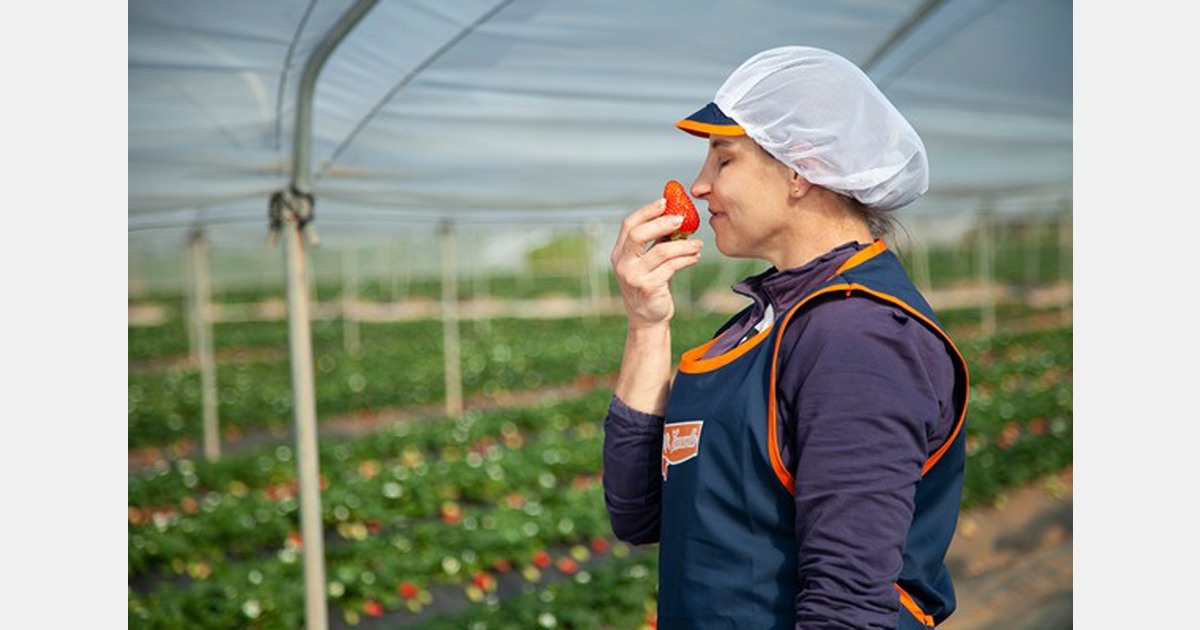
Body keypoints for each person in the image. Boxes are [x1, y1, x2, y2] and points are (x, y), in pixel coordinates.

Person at [602, 46, 969, 629]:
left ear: (800, 169)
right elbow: (639, 512)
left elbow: (847, 607)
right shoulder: (768, 320)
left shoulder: (858, 336)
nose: (699, 185)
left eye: (724, 159)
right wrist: (647, 325)